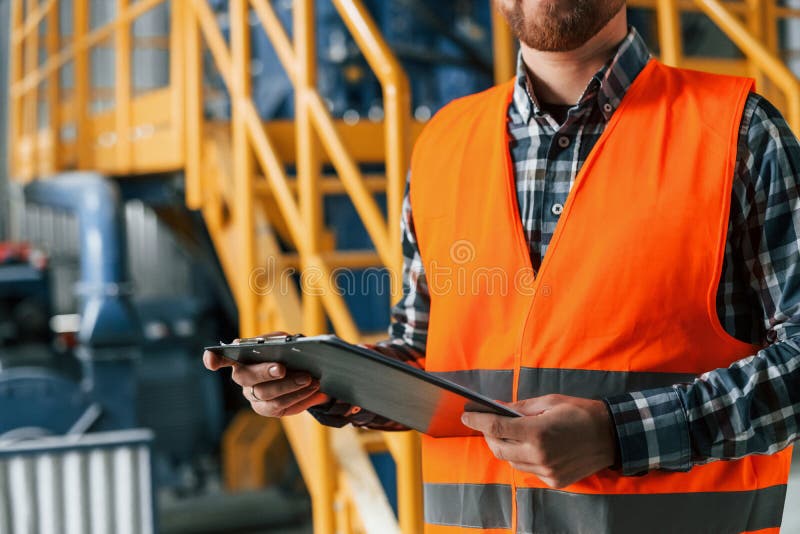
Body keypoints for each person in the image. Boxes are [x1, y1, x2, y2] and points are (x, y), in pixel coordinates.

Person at [204, 1, 800, 531]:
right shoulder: (441, 145)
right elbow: (427, 357)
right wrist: (325, 382)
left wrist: (620, 434)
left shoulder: (742, 136)